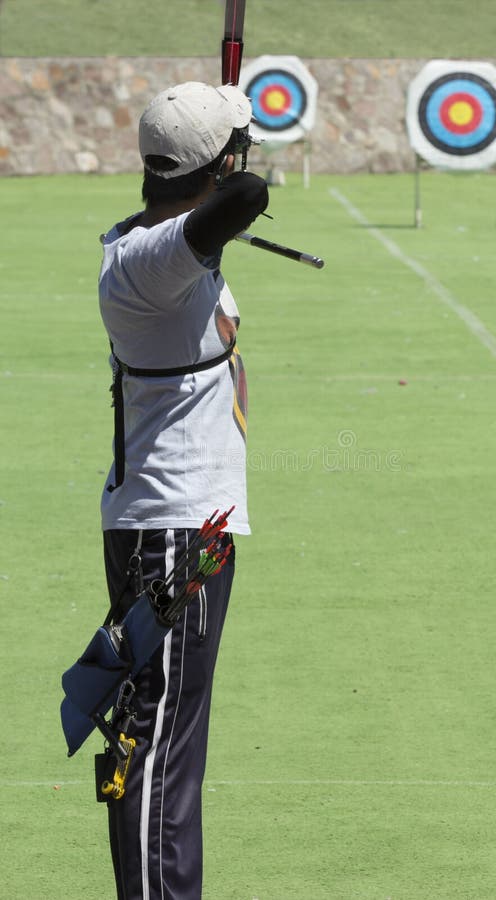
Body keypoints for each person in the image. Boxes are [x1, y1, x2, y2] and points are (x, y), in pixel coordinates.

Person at [97, 81, 269, 900]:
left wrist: (222, 140)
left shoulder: (153, 245)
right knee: (154, 742)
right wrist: (234, 149)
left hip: (177, 526)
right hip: (174, 535)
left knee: (160, 737)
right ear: (216, 164)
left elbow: (217, 208)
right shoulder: (152, 259)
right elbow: (247, 197)